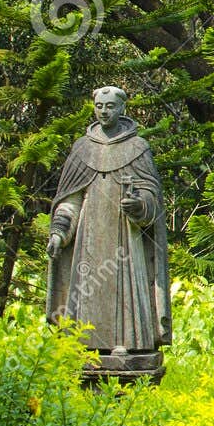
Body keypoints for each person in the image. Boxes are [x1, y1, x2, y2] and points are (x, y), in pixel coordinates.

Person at [46, 86, 170, 366]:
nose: (104, 111)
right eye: (99, 106)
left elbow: (152, 197)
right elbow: (70, 201)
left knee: (122, 287)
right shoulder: (82, 149)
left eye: (110, 106)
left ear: (122, 108)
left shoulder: (137, 148)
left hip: (125, 237)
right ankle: (84, 342)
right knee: (87, 286)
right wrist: (58, 233)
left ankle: (125, 344)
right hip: (89, 237)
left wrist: (139, 206)